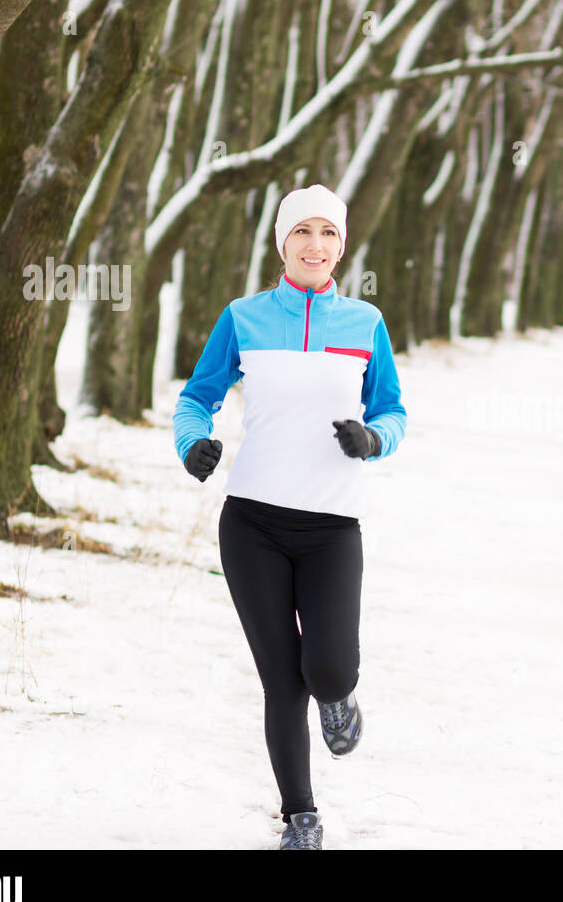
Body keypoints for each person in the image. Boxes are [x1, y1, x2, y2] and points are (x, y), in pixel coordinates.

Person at [172, 184, 407, 850]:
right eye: (303, 232)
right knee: (282, 681)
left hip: (332, 526)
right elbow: (198, 396)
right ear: (282, 243)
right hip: (253, 523)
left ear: (341, 245)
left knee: (328, 669)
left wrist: (373, 440)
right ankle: (300, 817)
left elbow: (392, 410)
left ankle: (340, 695)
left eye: (328, 234)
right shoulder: (244, 318)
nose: (316, 245)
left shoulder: (366, 324)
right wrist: (193, 445)